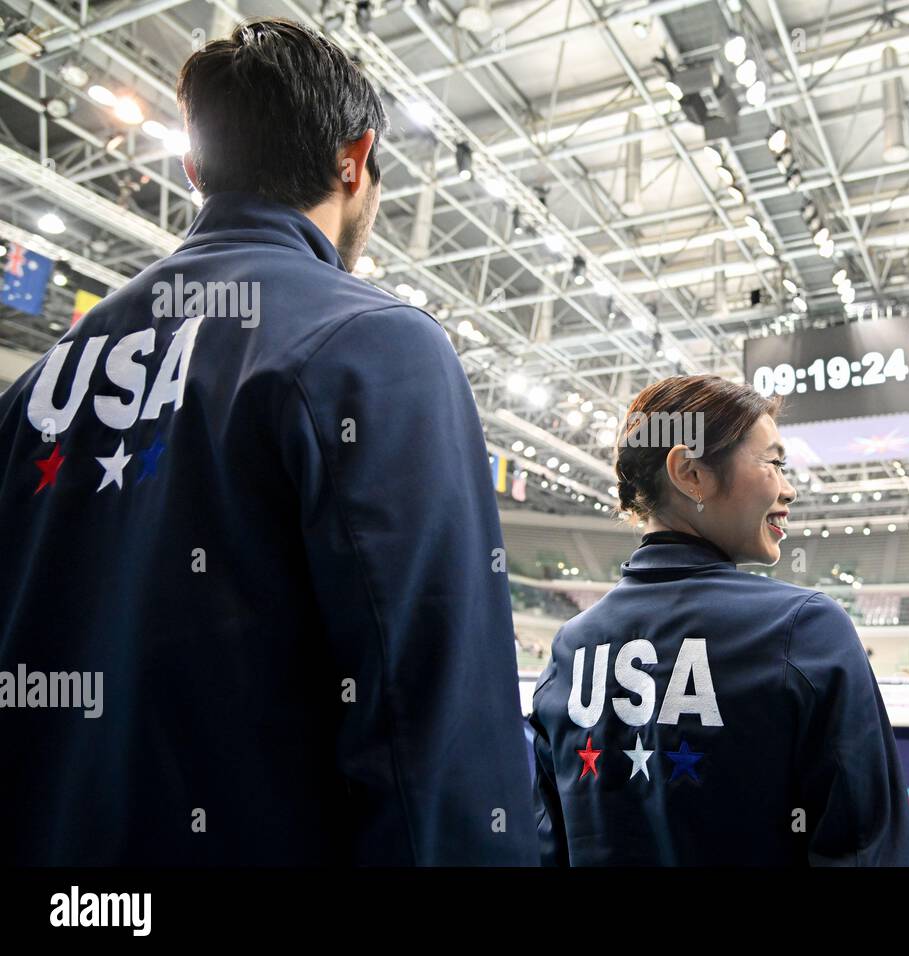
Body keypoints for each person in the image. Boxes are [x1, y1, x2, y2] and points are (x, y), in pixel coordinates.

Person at [0, 19, 536, 865]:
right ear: (355, 160)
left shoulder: (40, 386)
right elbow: (430, 722)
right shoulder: (373, 346)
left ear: (194, 168)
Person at [528, 375, 909, 865]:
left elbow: (549, 849)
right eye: (774, 464)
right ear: (691, 473)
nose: (790, 488)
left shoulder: (569, 649)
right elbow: (869, 850)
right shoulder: (803, 629)